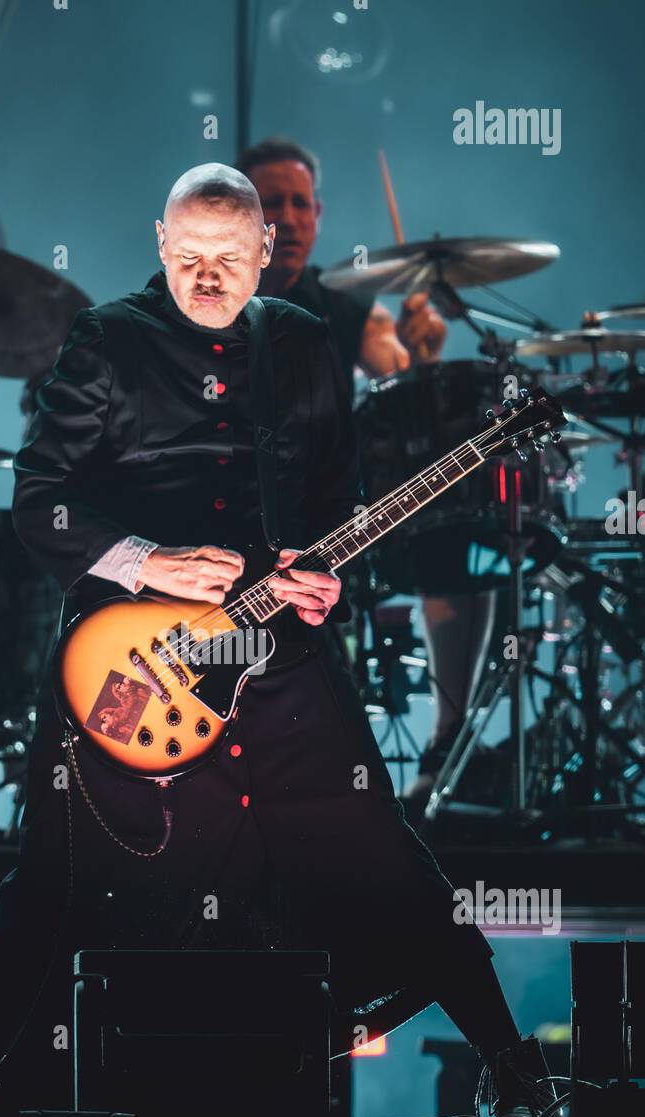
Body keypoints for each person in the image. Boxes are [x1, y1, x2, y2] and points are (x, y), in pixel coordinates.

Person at [0, 163, 553, 1117]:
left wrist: (323, 575)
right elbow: (39, 501)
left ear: (265, 253)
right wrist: (148, 560)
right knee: (56, 869)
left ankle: (515, 1070)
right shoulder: (107, 341)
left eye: (230, 259)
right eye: (190, 260)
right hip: (131, 650)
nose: (209, 280)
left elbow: (329, 497)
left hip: (272, 653)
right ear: (160, 246)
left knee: (380, 849)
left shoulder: (299, 342)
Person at [236, 137, 497, 795]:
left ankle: (446, 750)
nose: (288, 218)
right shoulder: (207, 300)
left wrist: (422, 356)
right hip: (229, 518)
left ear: (319, 214)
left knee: (460, 537)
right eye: (271, 202)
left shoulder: (348, 306)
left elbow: (405, 386)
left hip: (331, 522)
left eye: (300, 203)